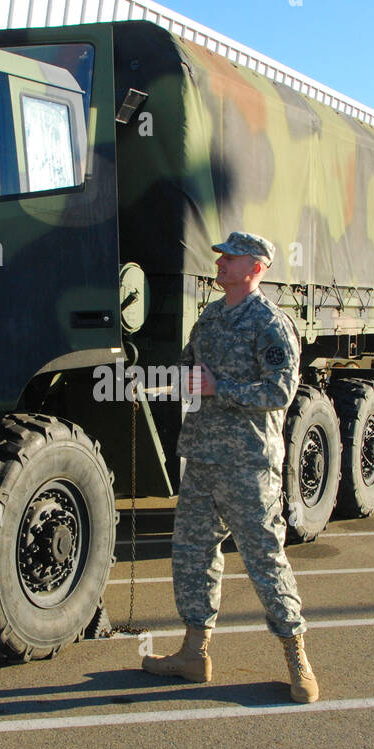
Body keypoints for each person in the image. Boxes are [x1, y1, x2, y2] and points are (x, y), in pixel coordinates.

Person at [141, 230, 319, 703]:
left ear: (256, 267)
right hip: (202, 458)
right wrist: (167, 381)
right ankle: (194, 653)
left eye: (231, 257)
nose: (219, 262)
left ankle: (296, 655)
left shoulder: (271, 324)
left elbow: (280, 392)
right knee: (192, 554)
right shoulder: (211, 317)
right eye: (220, 256)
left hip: (248, 464)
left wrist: (220, 388)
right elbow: (187, 367)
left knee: (264, 558)